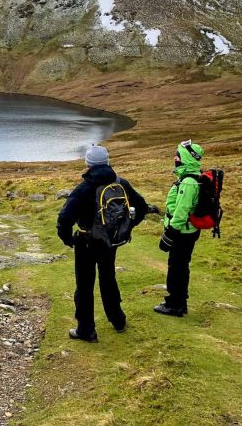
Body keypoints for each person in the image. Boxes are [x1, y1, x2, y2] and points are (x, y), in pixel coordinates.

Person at [57, 145, 148, 342]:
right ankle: (118, 321)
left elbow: (64, 218)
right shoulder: (121, 183)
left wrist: (68, 239)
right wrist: (125, 229)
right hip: (109, 242)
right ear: (107, 161)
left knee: (84, 285)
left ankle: (86, 330)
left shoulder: (84, 188)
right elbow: (142, 207)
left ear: (88, 164)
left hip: (85, 242)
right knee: (108, 278)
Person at [154, 140, 204, 317]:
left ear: (187, 158)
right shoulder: (191, 177)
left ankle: (175, 305)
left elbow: (182, 211)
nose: (175, 158)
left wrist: (170, 233)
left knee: (176, 267)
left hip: (182, 232)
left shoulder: (188, 182)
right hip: (188, 231)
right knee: (181, 266)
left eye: (178, 155)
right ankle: (179, 301)